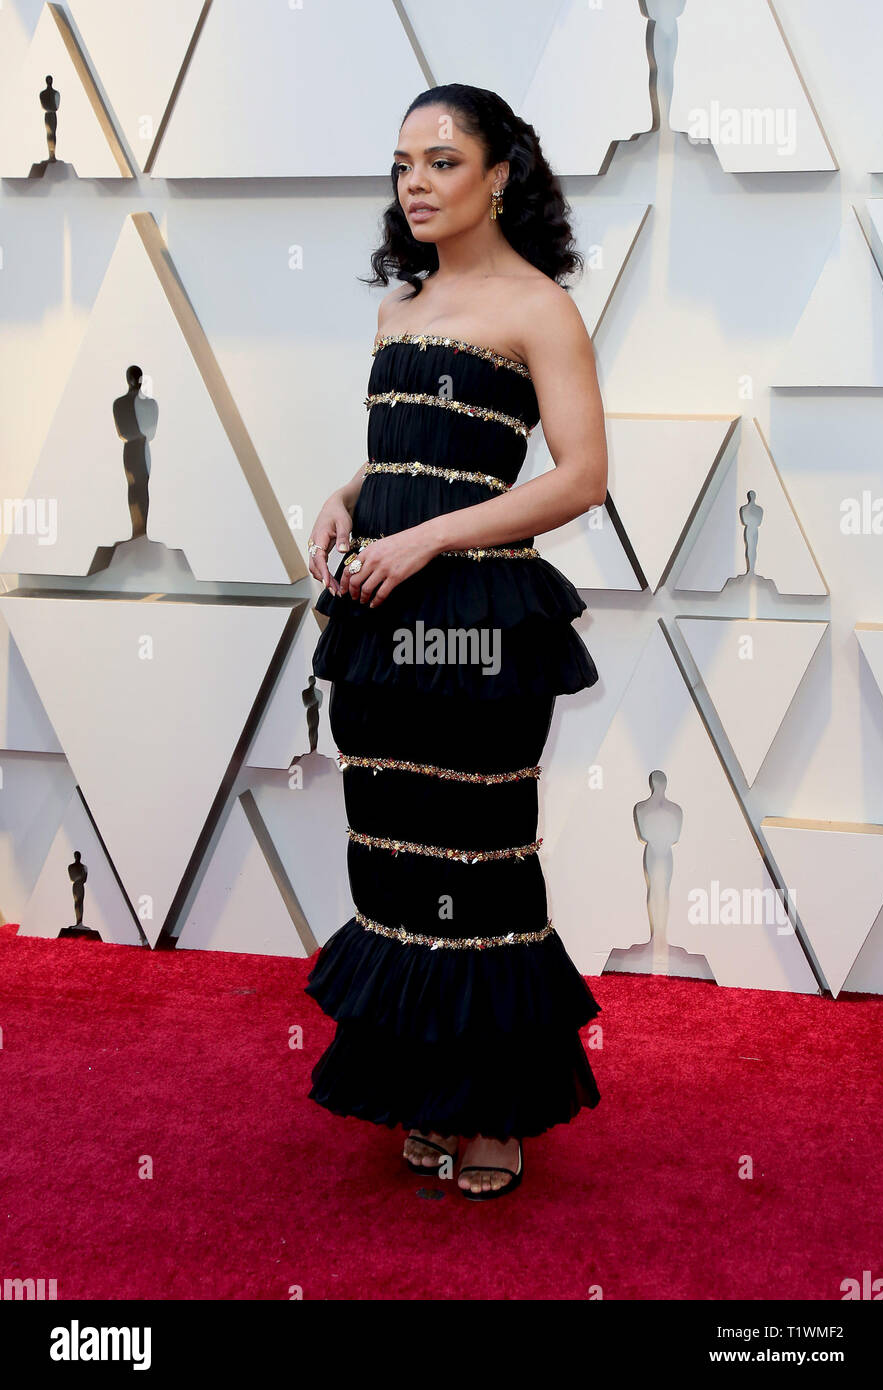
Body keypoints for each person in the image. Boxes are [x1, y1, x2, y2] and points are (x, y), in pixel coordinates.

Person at [304, 83, 608, 1200]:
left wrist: (428, 535)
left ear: (500, 175)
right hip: (378, 615)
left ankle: (491, 1107)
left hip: (479, 626)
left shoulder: (540, 309)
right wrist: (346, 496)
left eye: (441, 161)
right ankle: (423, 1091)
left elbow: (579, 477)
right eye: (402, 165)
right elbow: (406, 449)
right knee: (391, 863)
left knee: (476, 858)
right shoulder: (397, 311)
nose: (417, 185)